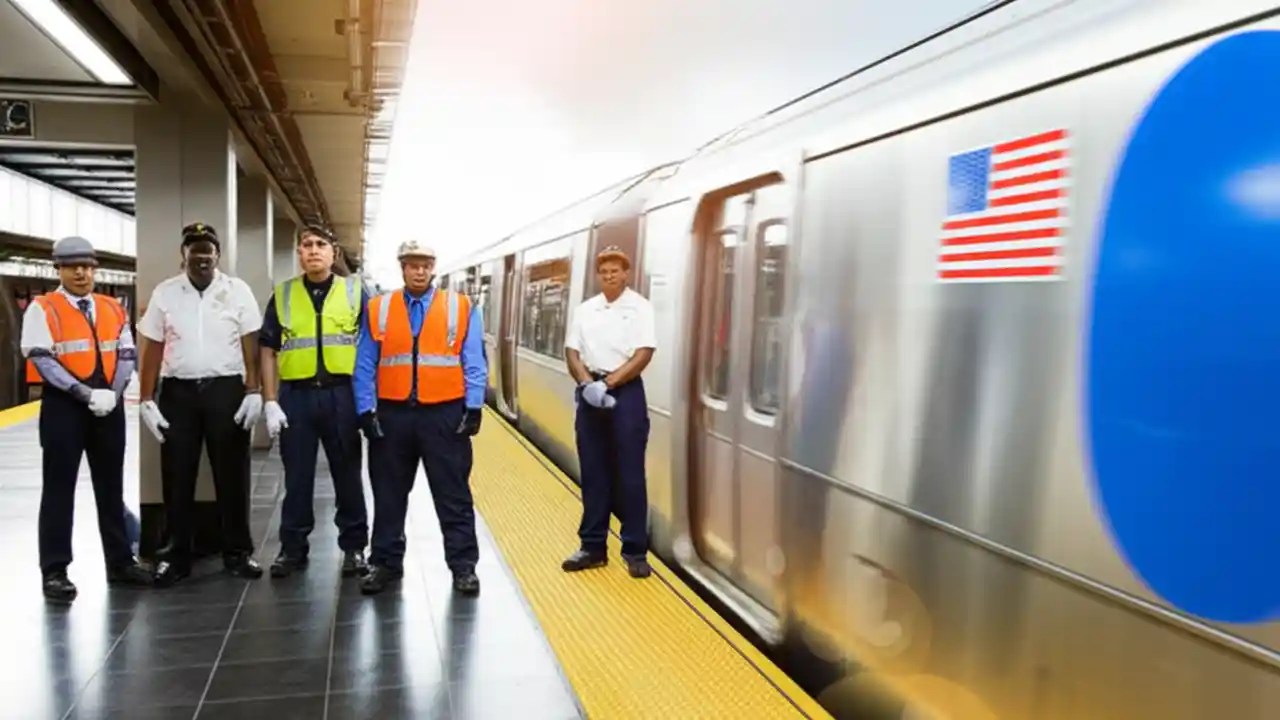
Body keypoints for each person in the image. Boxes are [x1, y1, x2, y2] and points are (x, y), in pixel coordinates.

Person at [21, 236, 153, 602]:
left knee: (111, 487)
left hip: (107, 406)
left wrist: (112, 390)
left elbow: (126, 352)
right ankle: (55, 570)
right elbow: (42, 358)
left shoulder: (113, 307)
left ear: (95, 269)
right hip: (64, 408)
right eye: (72, 266)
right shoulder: (43, 308)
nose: (81, 272)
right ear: (58, 270)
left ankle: (121, 562)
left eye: (87, 266)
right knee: (59, 488)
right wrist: (85, 394)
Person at [353, 240, 486, 596]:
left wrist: (474, 406)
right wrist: (365, 409)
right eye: (413, 265)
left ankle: (463, 567)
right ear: (402, 268)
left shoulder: (461, 307)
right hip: (392, 413)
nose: (419, 271)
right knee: (388, 493)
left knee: (453, 494)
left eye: (425, 264)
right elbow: (365, 361)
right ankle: (385, 562)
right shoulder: (379, 308)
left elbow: (473, 358)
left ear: (434, 267)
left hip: (445, 414)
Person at [136, 222, 265, 586]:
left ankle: (238, 552)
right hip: (178, 394)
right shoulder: (166, 293)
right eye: (194, 249)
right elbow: (153, 346)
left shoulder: (237, 291)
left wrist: (253, 390)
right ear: (184, 254)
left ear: (218, 255)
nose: (202, 255)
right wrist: (146, 399)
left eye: (208, 249)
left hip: (226, 390)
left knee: (232, 473)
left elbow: (250, 342)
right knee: (177, 475)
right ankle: (175, 556)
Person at [258, 225, 369, 579]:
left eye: (321, 245)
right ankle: (292, 549)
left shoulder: (354, 292)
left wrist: (369, 400)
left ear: (333, 253)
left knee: (348, 474)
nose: (313, 251)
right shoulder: (283, 294)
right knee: (298, 476)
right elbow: (268, 349)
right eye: (306, 245)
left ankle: (354, 548)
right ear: (299, 253)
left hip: (342, 395)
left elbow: (369, 348)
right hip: (297, 397)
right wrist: (270, 400)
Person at [561, 245, 656, 578]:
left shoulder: (640, 307)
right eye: (604, 271)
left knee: (630, 474)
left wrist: (610, 383)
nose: (609, 275)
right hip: (590, 394)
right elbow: (572, 351)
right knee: (593, 471)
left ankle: (634, 550)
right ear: (598, 275)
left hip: (626, 394)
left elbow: (644, 352)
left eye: (615, 270)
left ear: (625, 273)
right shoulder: (586, 309)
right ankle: (592, 546)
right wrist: (588, 384)